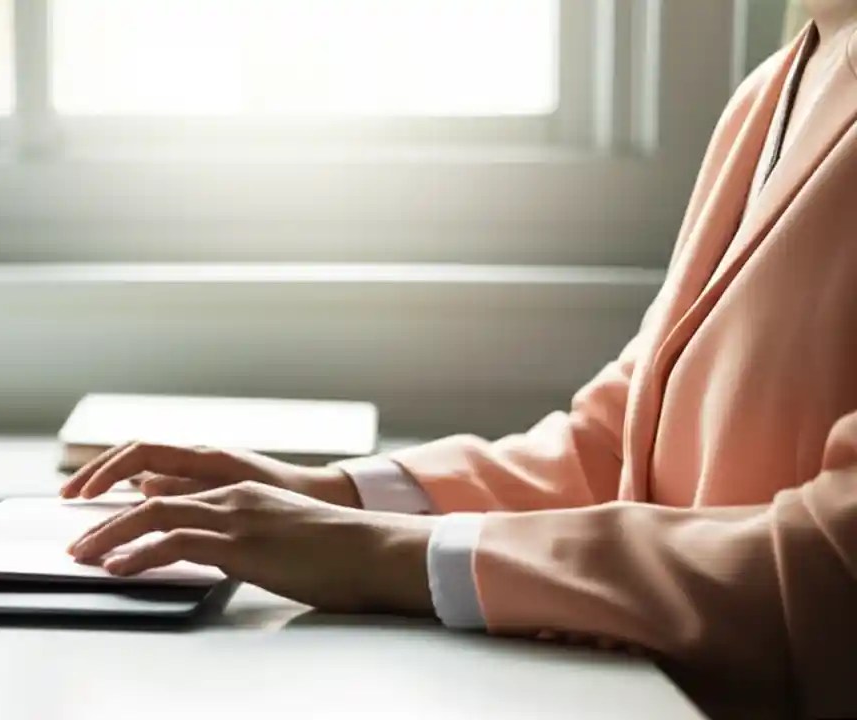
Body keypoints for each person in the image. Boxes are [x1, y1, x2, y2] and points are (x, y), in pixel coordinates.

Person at [60, 6, 857, 719]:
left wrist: (380, 555)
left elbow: (831, 565)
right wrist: (340, 495)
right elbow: (618, 443)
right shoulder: (778, 84)